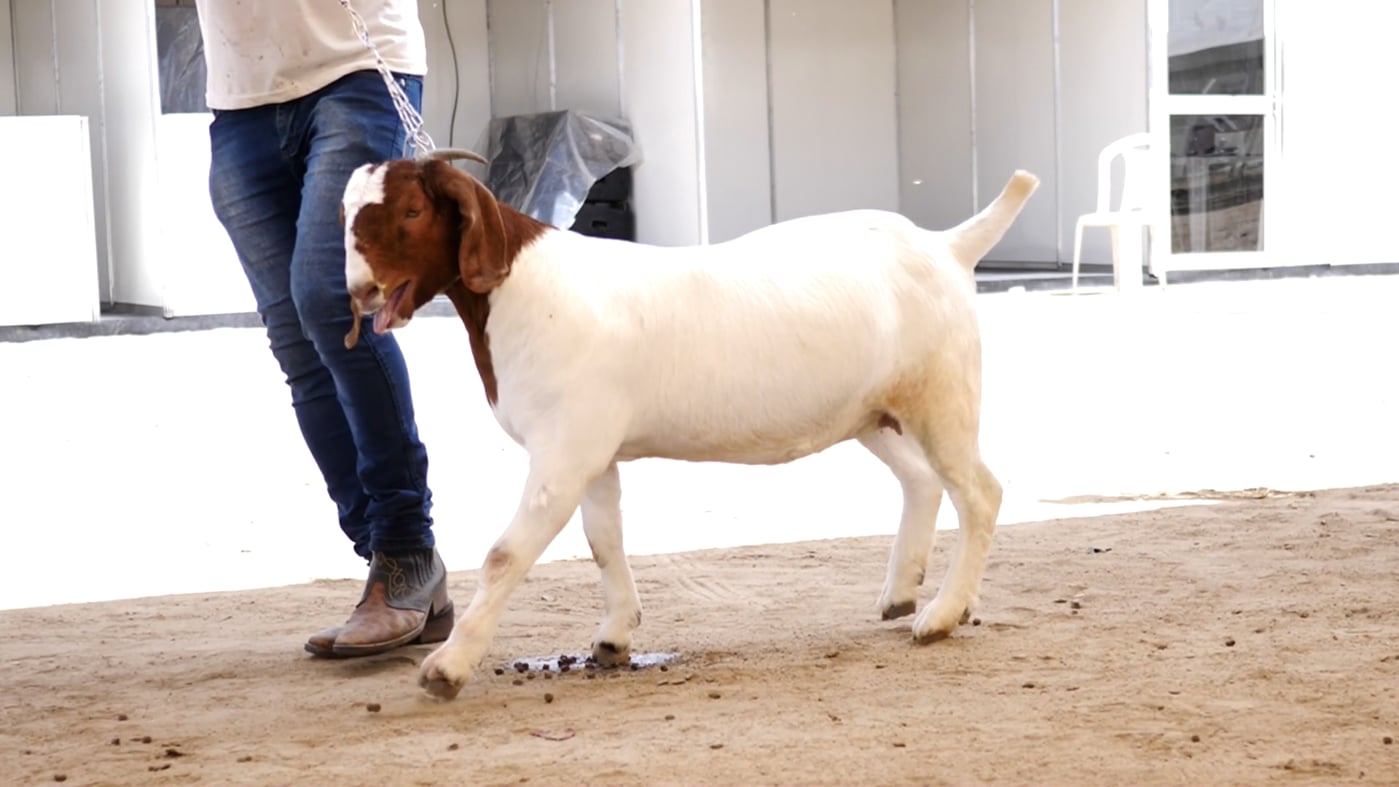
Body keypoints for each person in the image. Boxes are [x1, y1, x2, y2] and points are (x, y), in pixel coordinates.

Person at [193, 0, 453, 658]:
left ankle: (403, 554)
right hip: (241, 101)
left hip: (355, 73)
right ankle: (398, 563)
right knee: (297, 342)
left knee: (331, 302)